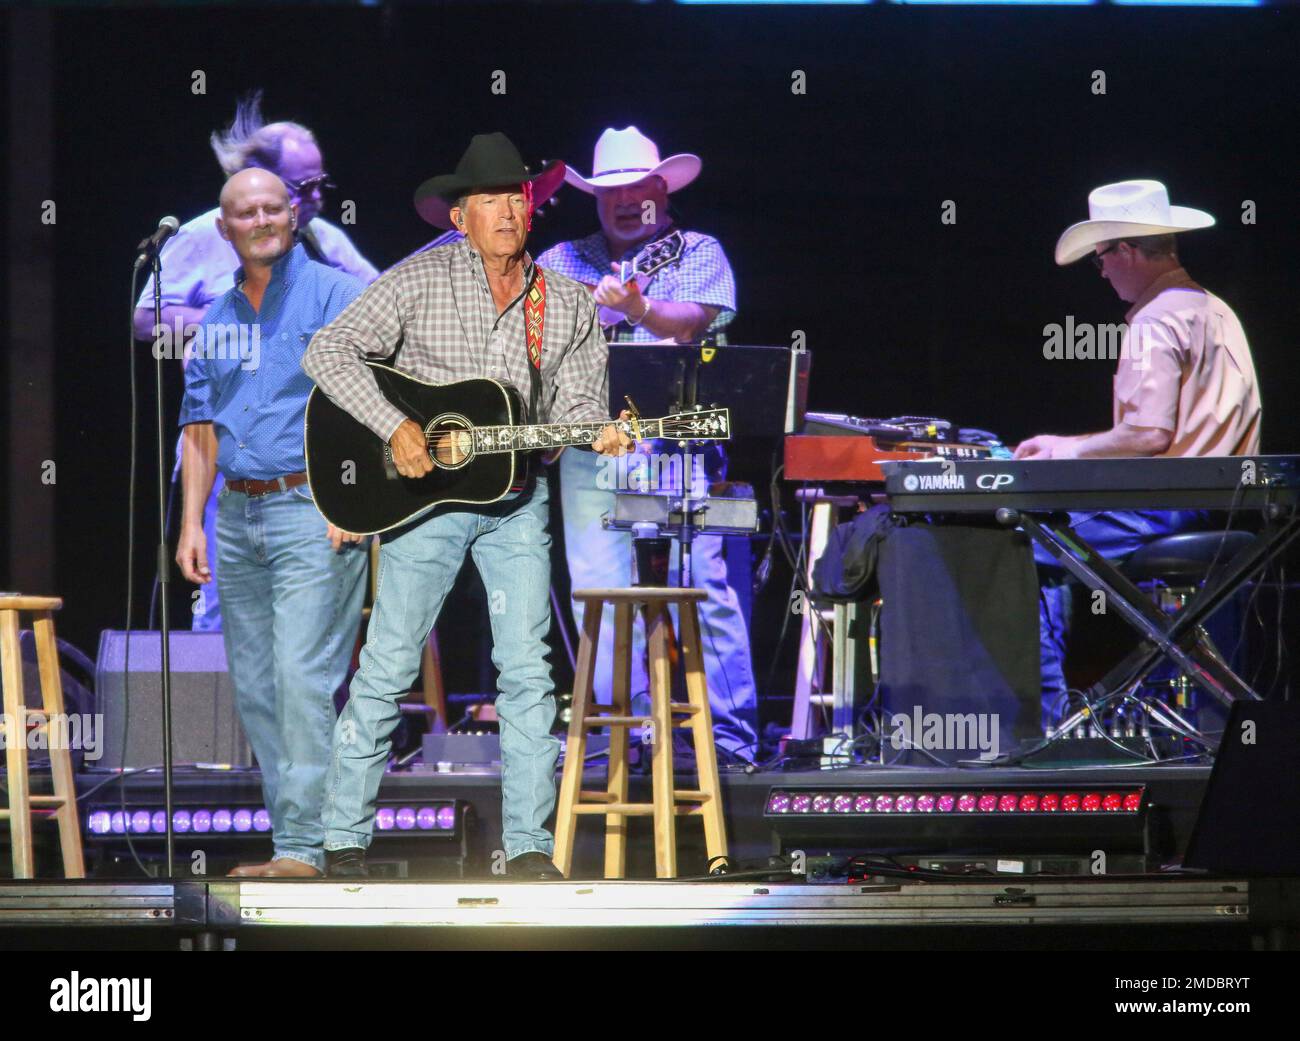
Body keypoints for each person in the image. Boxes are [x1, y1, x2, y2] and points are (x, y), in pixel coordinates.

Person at [303, 133, 632, 880]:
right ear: (461, 217)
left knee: (528, 669)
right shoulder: (417, 281)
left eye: (517, 195)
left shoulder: (569, 304)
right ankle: (344, 838)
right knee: (388, 664)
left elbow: (578, 402)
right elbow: (327, 350)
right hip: (429, 501)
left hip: (516, 500)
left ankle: (526, 848)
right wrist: (396, 425)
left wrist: (597, 430)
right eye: (490, 198)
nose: (508, 208)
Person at [537, 127, 759, 762]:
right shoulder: (560, 260)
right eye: (613, 191)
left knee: (702, 587)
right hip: (592, 449)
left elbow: (695, 319)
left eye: (640, 187)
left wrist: (638, 309)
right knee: (601, 591)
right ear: (596, 199)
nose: (627, 199)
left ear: (663, 190)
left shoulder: (698, 249)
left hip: (681, 445)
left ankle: (726, 736)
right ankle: (615, 737)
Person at [175, 168, 369, 877]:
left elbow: (380, 400)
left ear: (293, 213)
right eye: (244, 212)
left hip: (312, 509)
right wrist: (191, 523)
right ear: (224, 229)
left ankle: (302, 848)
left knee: (301, 676)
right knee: (256, 687)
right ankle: (296, 841)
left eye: (271, 207)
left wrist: (354, 495)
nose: (260, 219)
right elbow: (201, 425)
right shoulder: (219, 319)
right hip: (236, 514)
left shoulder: (336, 295)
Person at [1015, 179, 1262, 724]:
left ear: (1126, 250)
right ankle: (1213, 718)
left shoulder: (1156, 320)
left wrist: (1060, 452)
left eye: (1101, 258)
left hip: (1166, 502)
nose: (1101, 272)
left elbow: (1149, 435)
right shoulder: (1213, 308)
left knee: (1019, 546)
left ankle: (1046, 722)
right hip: (1219, 497)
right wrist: (1072, 445)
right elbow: (1167, 432)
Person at [140, 91, 379, 631]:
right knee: (229, 615)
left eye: (322, 184)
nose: (317, 197)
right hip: (228, 455)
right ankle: (224, 715)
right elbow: (145, 317)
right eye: (304, 187)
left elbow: (381, 305)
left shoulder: (322, 242)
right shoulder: (208, 233)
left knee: (306, 617)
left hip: (311, 458)